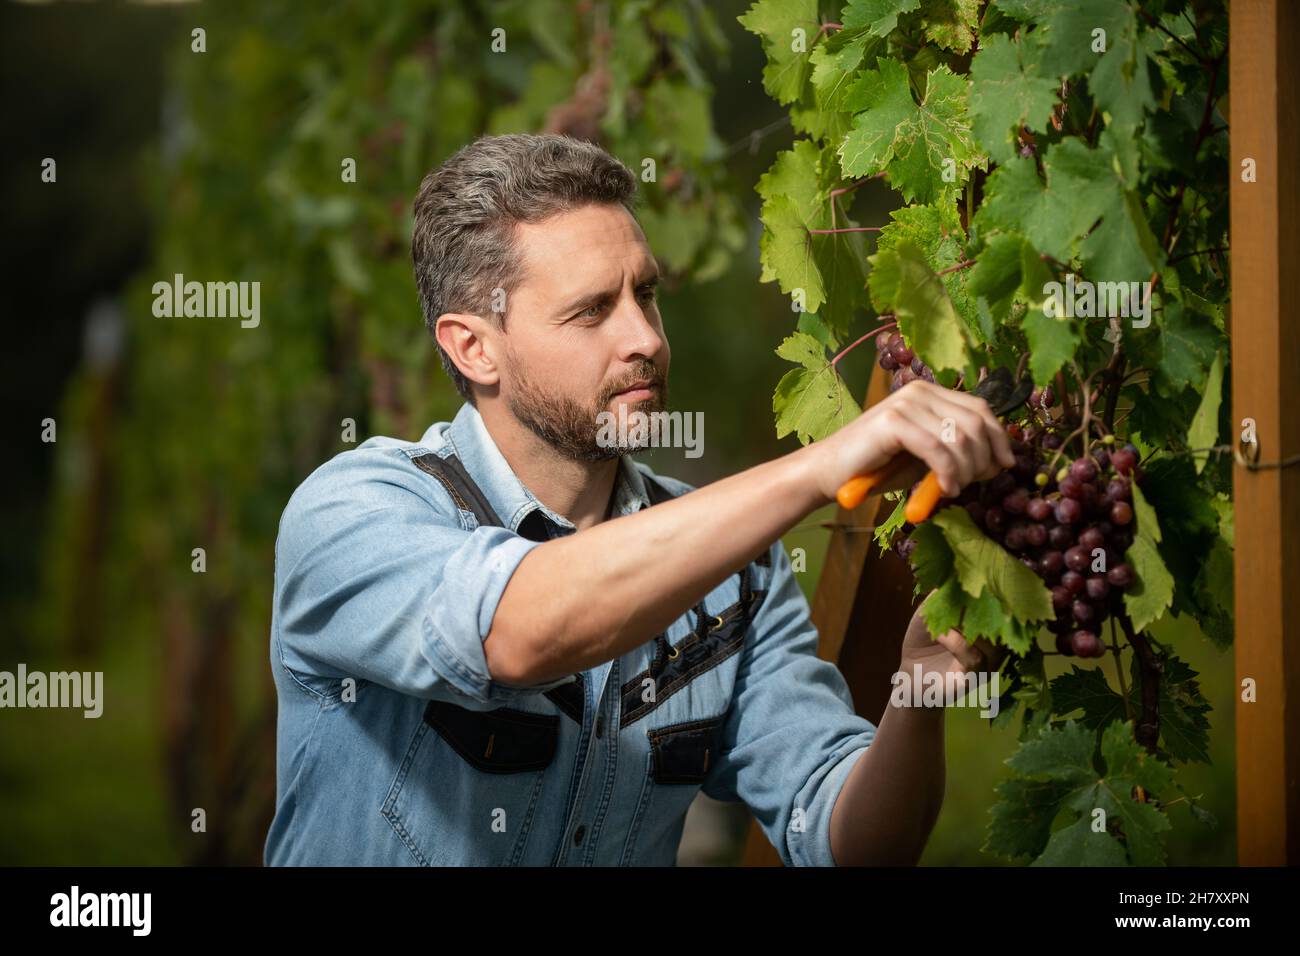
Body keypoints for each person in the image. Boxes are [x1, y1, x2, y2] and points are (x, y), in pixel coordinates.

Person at [264, 133, 1013, 867]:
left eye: (645, 295)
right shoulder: (353, 514)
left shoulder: (736, 576)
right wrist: (820, 468)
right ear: (473, 347)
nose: (644, 338)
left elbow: (846, 841)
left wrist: (915, 698)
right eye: (591, 311)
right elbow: (522, 630)